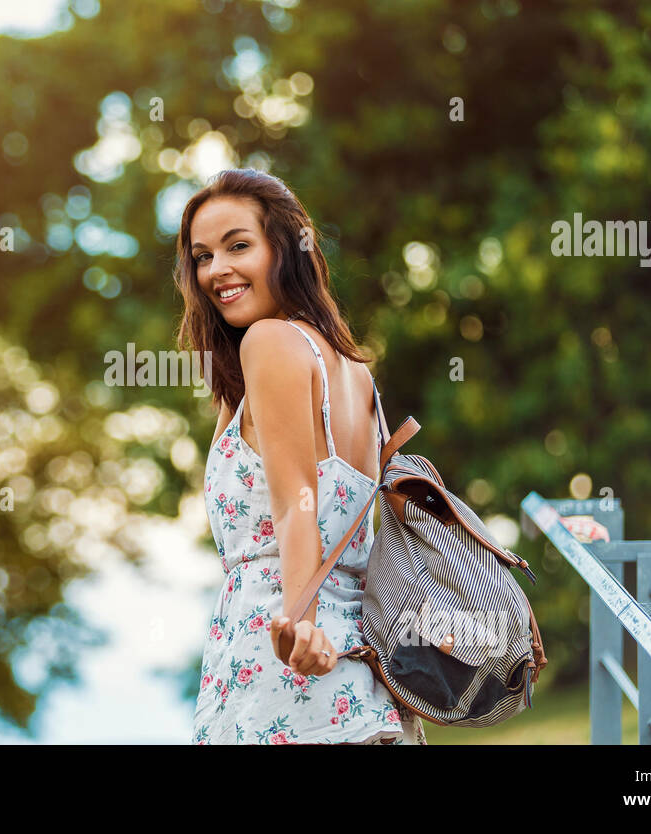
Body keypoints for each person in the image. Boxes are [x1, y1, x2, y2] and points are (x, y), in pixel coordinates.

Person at [177, 169, 427, 745]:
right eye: (202, 256)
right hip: (359, 687)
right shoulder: (355, 373)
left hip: (288, 685)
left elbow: (297, 502)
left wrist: (301, 624)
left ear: (285, 249)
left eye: (239, 246)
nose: (217, 270)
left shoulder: (270, 343)